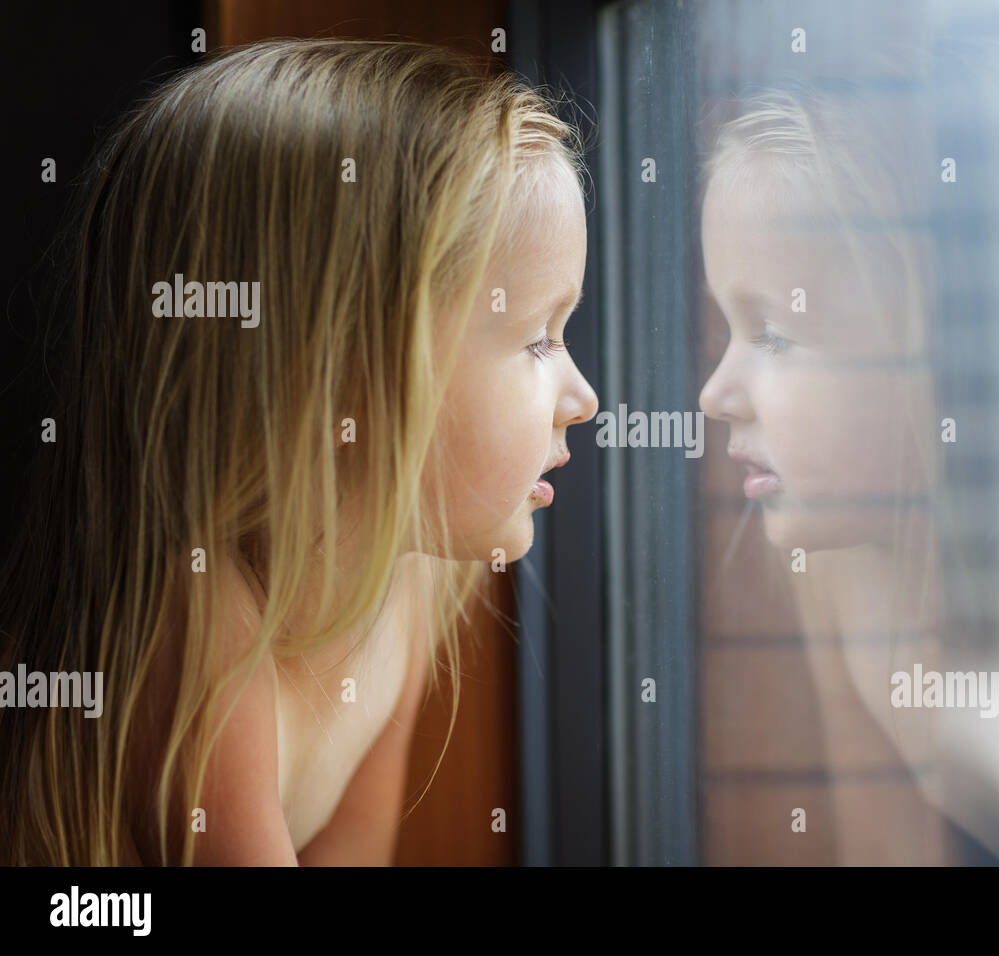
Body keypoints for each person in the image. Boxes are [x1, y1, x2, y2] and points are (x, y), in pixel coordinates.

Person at [0, 38, 597, 866]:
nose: (585, 399)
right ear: (344, 367)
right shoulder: (204, 622)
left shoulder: (415, 578)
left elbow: (351, 848)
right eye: (538, 339)